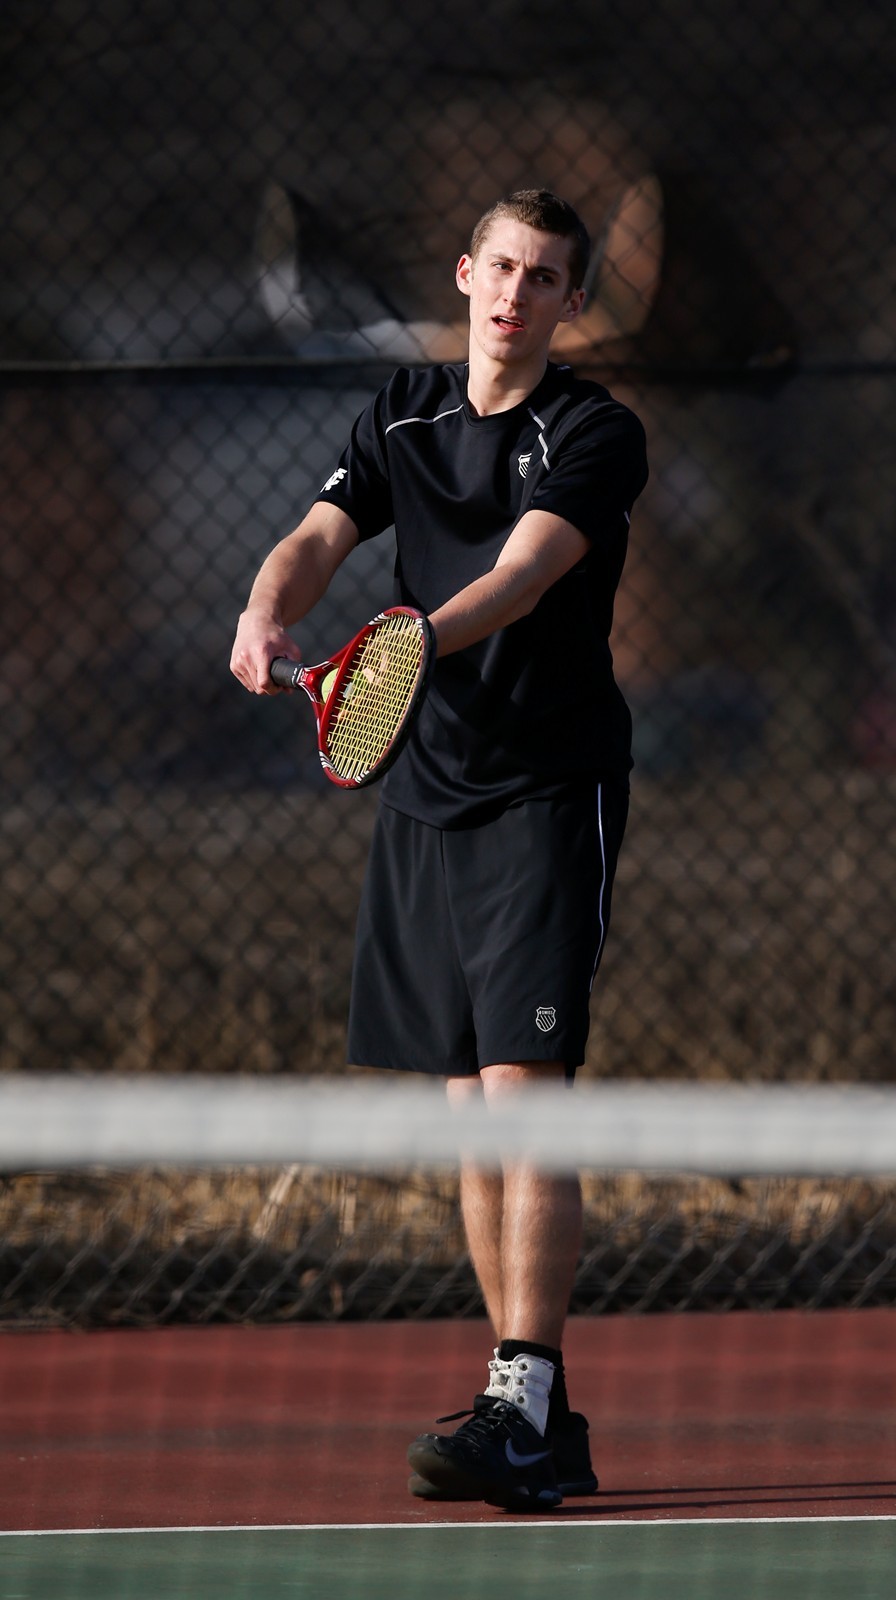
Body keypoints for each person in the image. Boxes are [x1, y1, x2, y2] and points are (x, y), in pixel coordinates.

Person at [230, 189, 648, 1513]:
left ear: (570, 302)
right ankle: (533, 1413)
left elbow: (523, 578)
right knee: (470, 1112)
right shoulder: (400, 412)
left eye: (547, 278)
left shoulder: (595, 432)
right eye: (503, 268)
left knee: (528, 1096)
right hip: (427, 794)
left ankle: (522, 1391)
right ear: (468, 273)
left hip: (543, 787)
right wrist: (265, 611)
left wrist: (401, 643)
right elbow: (315, 536)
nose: (518, 294)